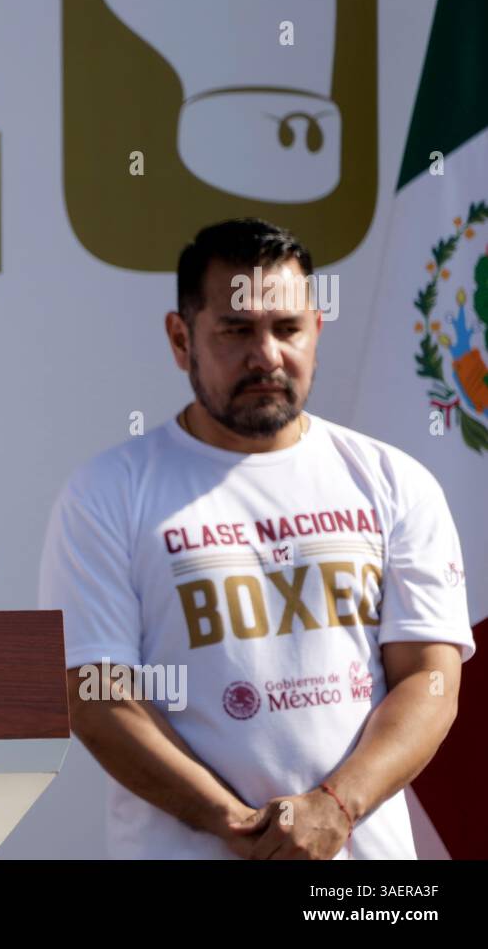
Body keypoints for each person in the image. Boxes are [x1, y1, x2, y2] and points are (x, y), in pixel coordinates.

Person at [39, 218, 474, 859]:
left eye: (287, 329)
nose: (267, 355)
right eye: (237, 330)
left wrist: (335, 807)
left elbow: (431, 682)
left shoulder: (393, 481)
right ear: (181, 339)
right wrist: (238, 826)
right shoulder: (106, 494)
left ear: (316, 332)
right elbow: (97, 696)